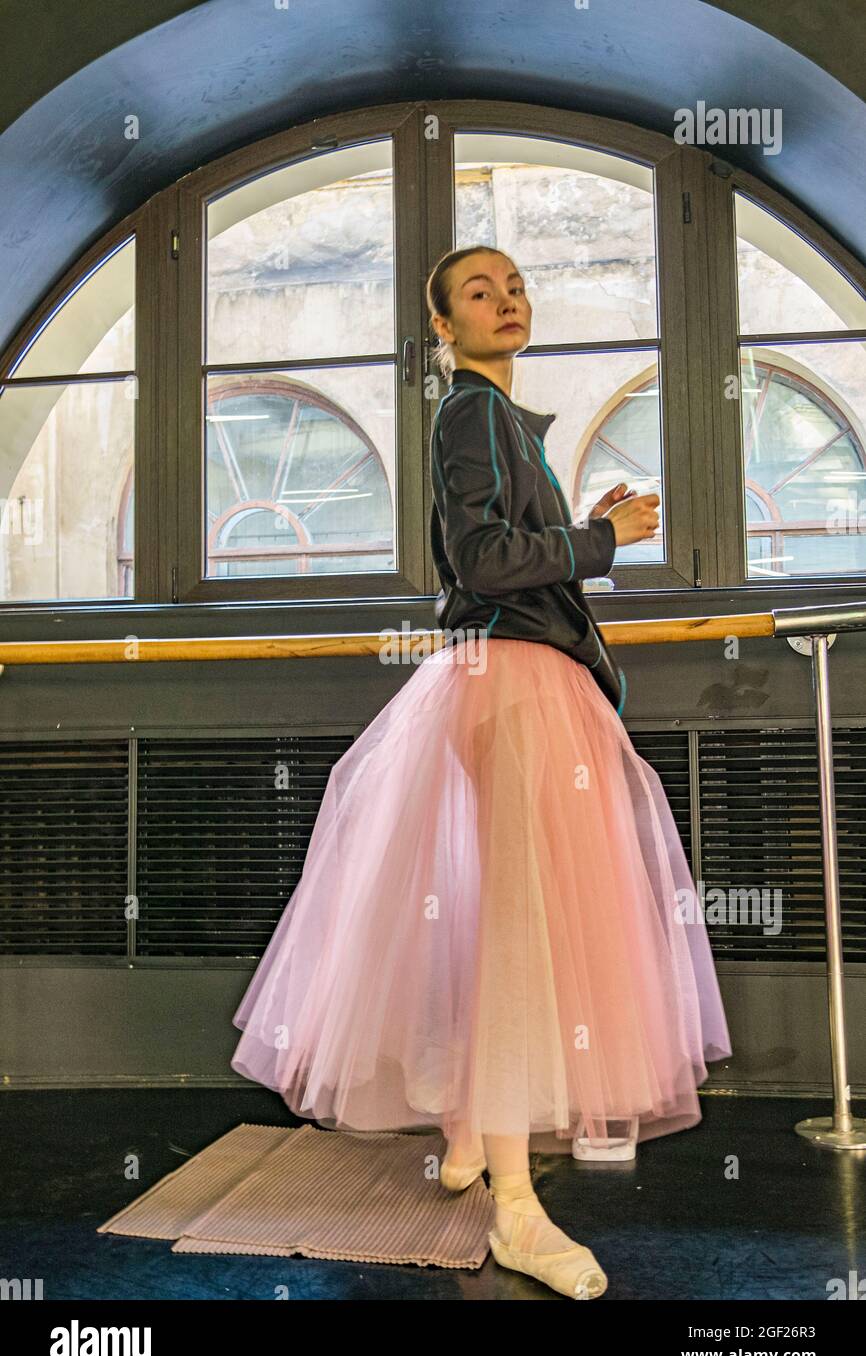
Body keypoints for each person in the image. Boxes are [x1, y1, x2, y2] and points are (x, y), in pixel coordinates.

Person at [230, 244, 732, 1301]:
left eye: (513, 287)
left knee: (497, 915)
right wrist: (603, 535)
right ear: (443, 329)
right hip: (510, 683)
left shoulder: (496, 422)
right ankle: (512, 1207)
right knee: (522, 930)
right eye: (477, 291)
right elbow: (487, 564)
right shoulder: (469, 414)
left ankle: (469, 1131)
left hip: (514, 680)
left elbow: (505, 546)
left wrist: (574, 524)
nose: (505, 300)